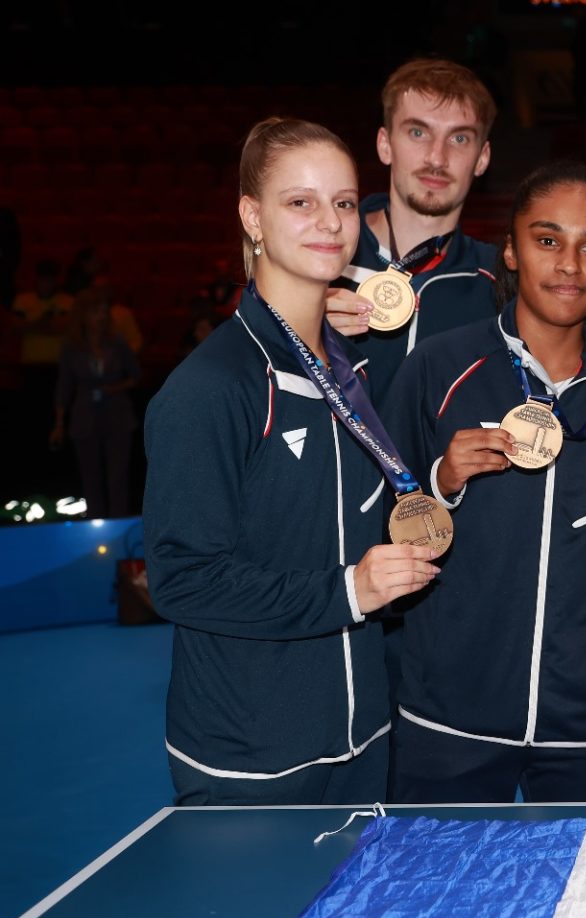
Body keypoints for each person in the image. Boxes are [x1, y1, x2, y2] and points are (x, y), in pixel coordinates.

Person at [144, 118, 440, 805]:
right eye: (299, 202)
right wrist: (348, 592)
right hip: (253, 758)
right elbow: (182, 580)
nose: (330, 222)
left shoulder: (347, 370)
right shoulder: (211, 387)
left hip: (364, 737)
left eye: (342, 202)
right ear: (252, 216)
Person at [382, 162, 586, 803]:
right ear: (510, 249)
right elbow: (376, 525)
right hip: (450, 714)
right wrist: (441, 484)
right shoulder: (438, 368)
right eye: (547, 240)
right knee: (437, 902)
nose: (569, 265)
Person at [328, 58, 501, 399]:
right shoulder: (320, 256)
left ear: (482, 158)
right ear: (385, 144)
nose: (437, 157)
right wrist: (295, 330)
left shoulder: (502, 284)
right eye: (418, 132)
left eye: (460, 138)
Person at [52, 287, 140, 517]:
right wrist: (59, 423)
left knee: (117, 477)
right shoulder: (71, 346)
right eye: (95, 312)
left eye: (104, 312)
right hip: (84, 416)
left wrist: (114, 387)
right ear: (83, 315)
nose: (101, 317)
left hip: (117, 415)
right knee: (91, 478)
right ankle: (94, 531)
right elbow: (64, 385)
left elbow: (136, 375)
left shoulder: (117, 342)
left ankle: (118, 530)